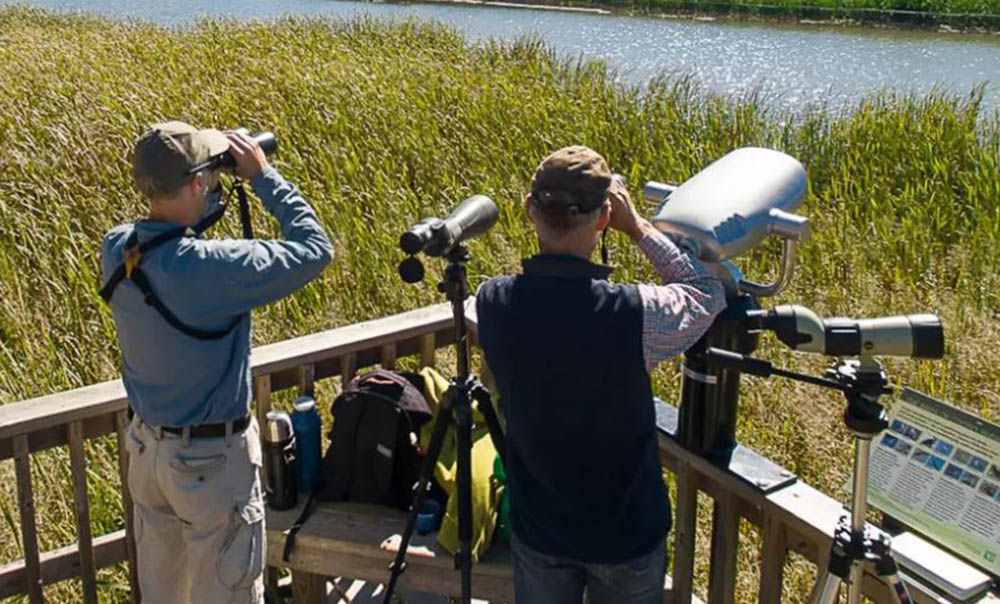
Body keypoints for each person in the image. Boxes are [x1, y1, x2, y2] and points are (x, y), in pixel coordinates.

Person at [475, 146, 726, 603]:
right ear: (604, 216)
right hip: (625, 533)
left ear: (530, 210)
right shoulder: (634, 314)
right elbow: (706, 293)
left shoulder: (493, 301)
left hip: (540, 526)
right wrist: (640, 229)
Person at [100, 122, 333, 603]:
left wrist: (203, 192)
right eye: (206, 175)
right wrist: (262, 177)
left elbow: (166, 241)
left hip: (147, 453)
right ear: (194, 183)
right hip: (210, 464)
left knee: (164, 595)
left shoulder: (118, 248)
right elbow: (315, 249)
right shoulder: (212, 267)